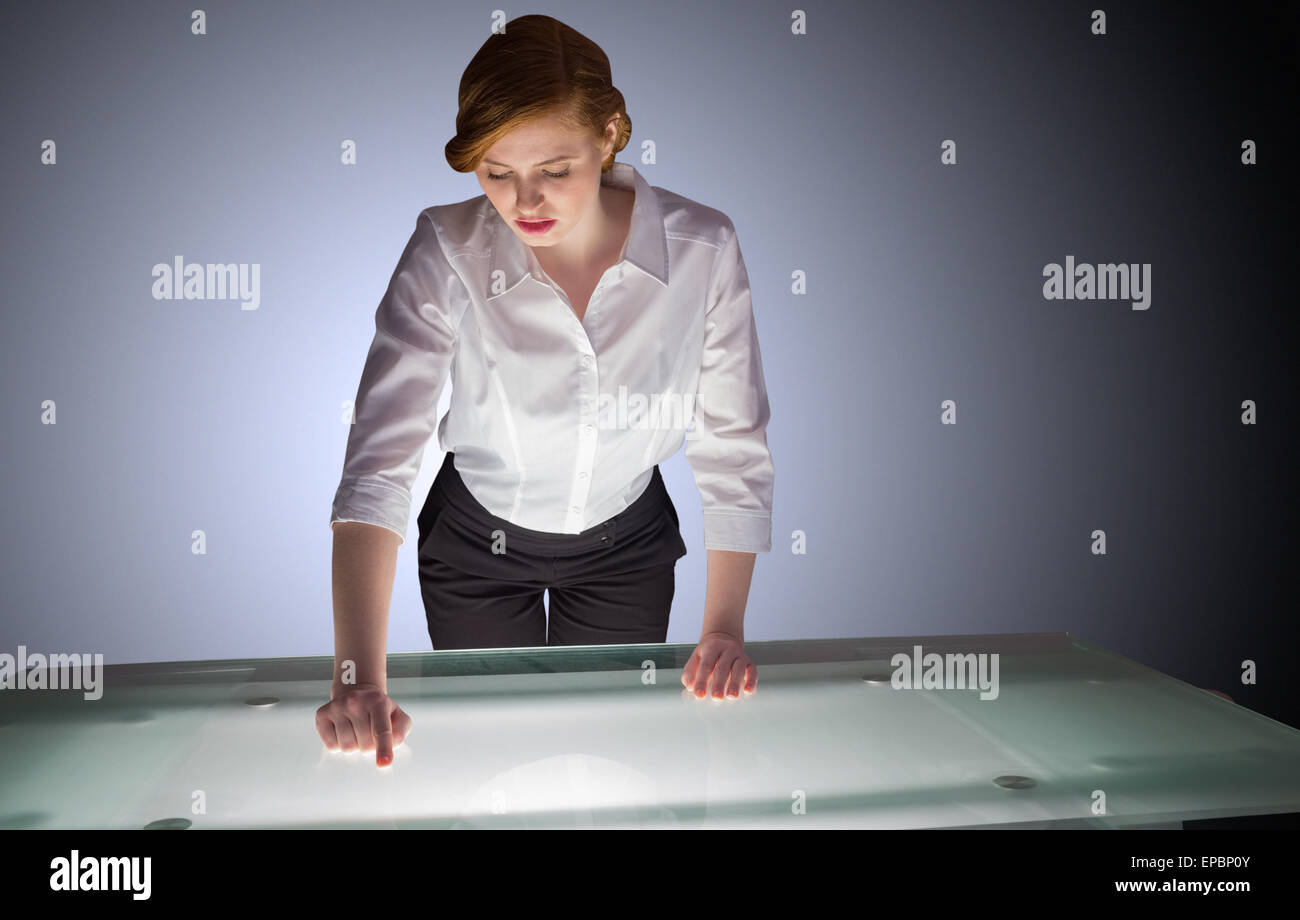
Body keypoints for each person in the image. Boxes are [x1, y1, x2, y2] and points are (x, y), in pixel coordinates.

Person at [316, 15, 775, 767]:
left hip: (626, 546)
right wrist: (357, 676)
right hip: (474, 545)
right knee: (493, 751)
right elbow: (379, 466)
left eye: (555, 170)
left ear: (610, 133)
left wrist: (723, 628)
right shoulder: (444, 249)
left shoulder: (706, 249)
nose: (524, 201)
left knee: (608, 750)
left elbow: (734, 443)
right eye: (497, 173)